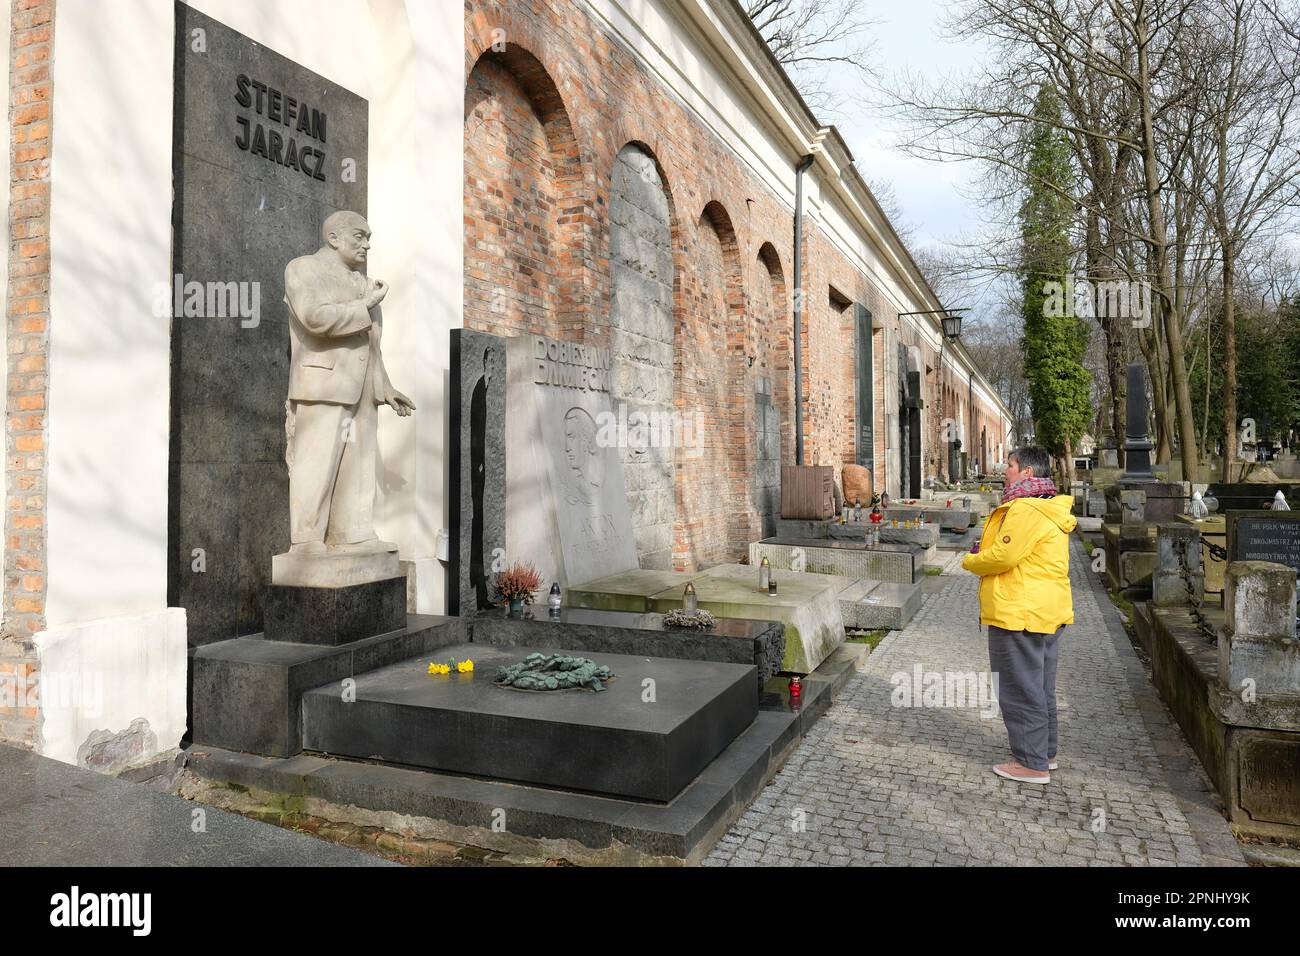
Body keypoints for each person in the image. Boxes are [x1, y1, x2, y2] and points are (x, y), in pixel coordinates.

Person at [283, 211, 415, 554]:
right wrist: (365, 304)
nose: (367, 245)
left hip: (362, 392)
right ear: (334, 238)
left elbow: (371, 345)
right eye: (360, 236)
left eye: (368, 238)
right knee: (316, 465)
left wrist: (385, 387)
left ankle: (352, 534)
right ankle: (306, 541)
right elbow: (314, 318)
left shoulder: (361, 282)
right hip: (323, 384)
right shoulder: (303, 268)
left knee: (358, 467)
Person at [961, 445, 1076, 784]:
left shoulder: (1025, 509)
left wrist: (970, 560)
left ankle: (1030, 763)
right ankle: (1045, 753)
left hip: (1019, 612)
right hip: (1046, 610)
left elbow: (1002, 557)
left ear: (1026, 472)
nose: (1004, 469)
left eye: (1010, 465)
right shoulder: (1045, 507)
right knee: (1040, 686)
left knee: (1019, 688)